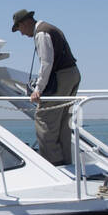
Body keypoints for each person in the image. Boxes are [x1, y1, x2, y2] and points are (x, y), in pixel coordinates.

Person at [11, 8, 80, 166]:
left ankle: (54, 163)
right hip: (72, 74)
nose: (21, 33)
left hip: (61, 77)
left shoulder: (41, 33)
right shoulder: (49, 29)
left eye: (19, 28)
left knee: (44, 118)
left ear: (25, 23)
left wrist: (38, 90)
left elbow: (46, 63)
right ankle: (66, 162)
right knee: (63, 122)